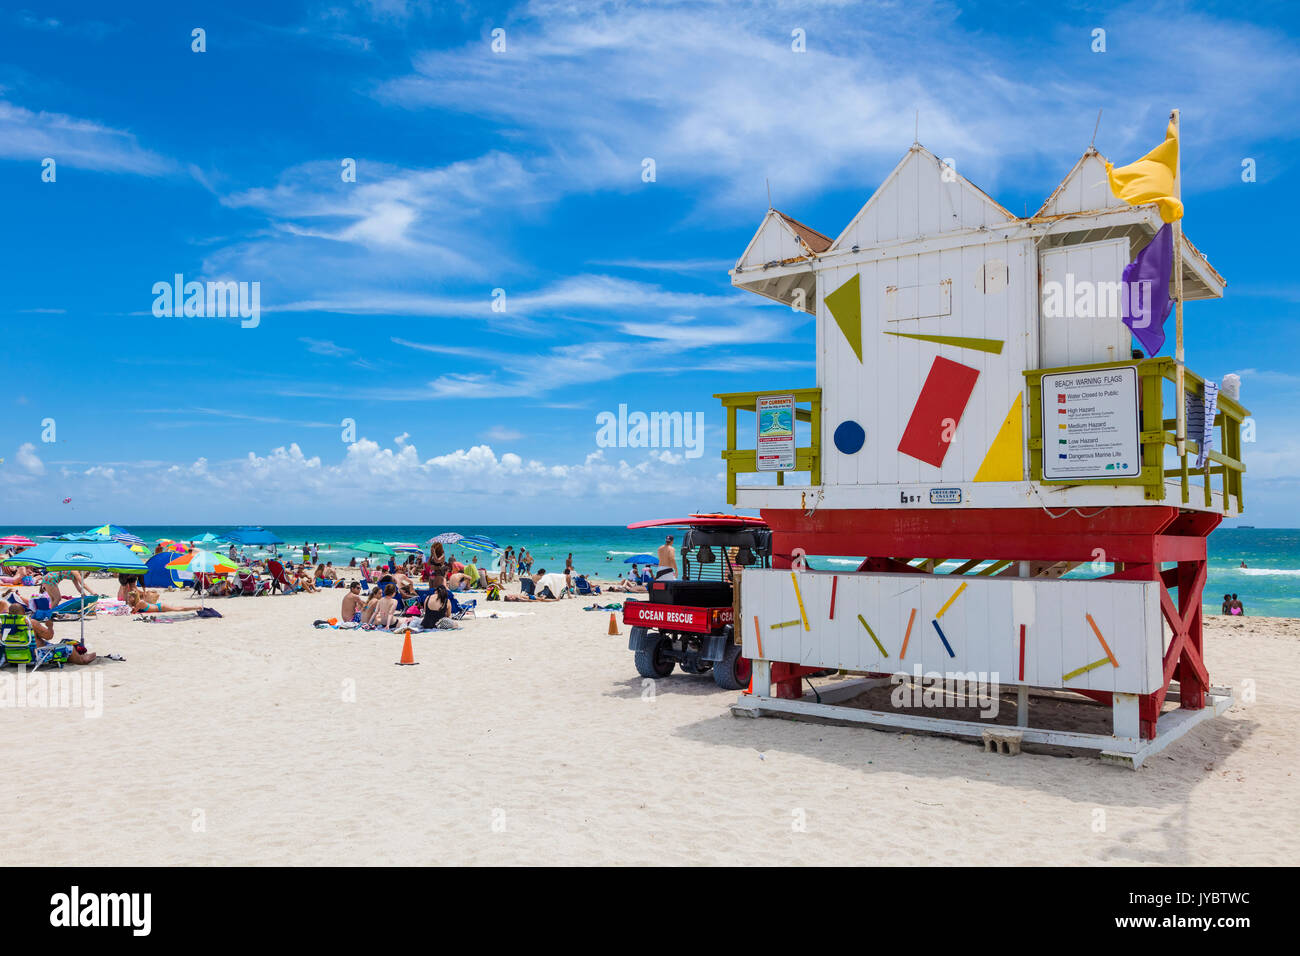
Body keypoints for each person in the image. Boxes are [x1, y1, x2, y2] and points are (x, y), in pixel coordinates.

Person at [1, 600, 97, 664]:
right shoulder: (30, 622)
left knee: (61, 643)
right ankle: (81, 660)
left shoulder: (3, 624)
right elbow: (48, 636)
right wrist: (50, 626)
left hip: (13, 656)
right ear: (23, 613)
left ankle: (77, 656)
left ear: (9, 613)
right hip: (34, 655)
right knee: (69, 647)